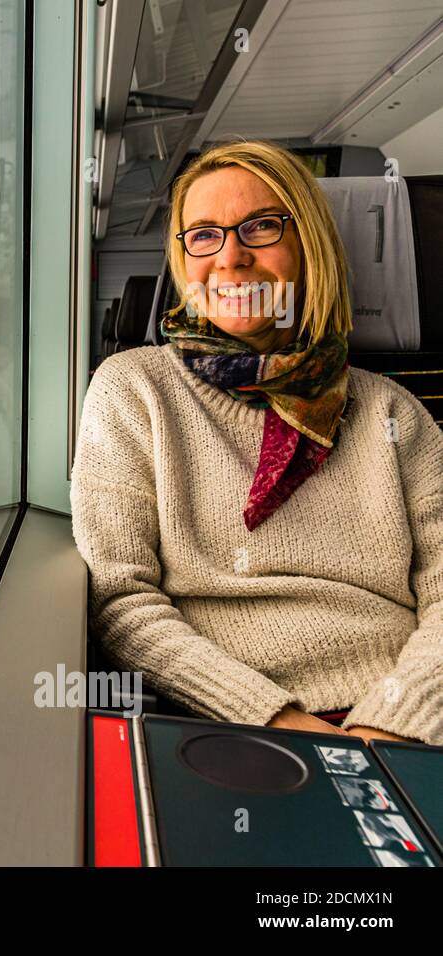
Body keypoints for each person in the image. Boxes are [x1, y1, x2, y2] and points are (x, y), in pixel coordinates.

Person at [71, 140, 443, 746]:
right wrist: (280, 724)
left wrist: (393, 726)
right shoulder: (135, 390)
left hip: (414, 723)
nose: (232, 257)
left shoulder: (391, 411)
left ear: (309, 243)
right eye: (204, 235)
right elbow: (122, 601)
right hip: (240, 728)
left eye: (261, 226)